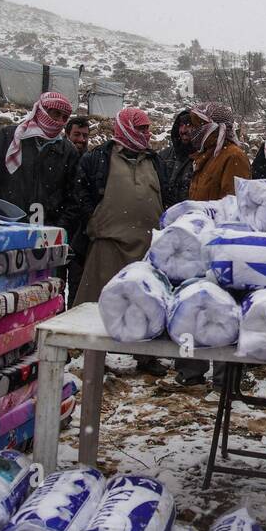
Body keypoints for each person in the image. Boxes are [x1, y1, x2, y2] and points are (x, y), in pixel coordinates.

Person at [66, 107, 169, 375]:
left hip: (146, 249)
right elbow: (81, 194)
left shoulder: (154, 161)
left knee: (144, 303)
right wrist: (94, 220)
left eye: (147, 128)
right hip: (108, 243)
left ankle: (145, 357)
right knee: (99, 304)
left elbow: (166, 196)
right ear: (126, 128)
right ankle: (92, 358)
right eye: (141, 128)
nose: (146, 133)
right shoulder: (97, 158)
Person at [173, 102, 251, 387]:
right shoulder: (205, 156)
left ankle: (225, 379)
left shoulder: (233, 157)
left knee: (222, 314)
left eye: (197, 124)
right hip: (196, 249)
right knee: (191, 312)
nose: (191, 130)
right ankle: (189, 372)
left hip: (220, 251)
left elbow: (233, 209)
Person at [0, 90, 78, 228]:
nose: (59, 121)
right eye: (55, 113)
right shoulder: (9, 137)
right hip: (6, 226)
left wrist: (58, 226)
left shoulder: (67, 151)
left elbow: (72, 197)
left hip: (46, 231)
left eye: (64, 117)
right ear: (41, 110)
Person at [157, 109, 197, 205]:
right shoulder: (164, 156)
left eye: (189, 125)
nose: (183, 130)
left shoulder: (206, 158)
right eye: (181, 125)